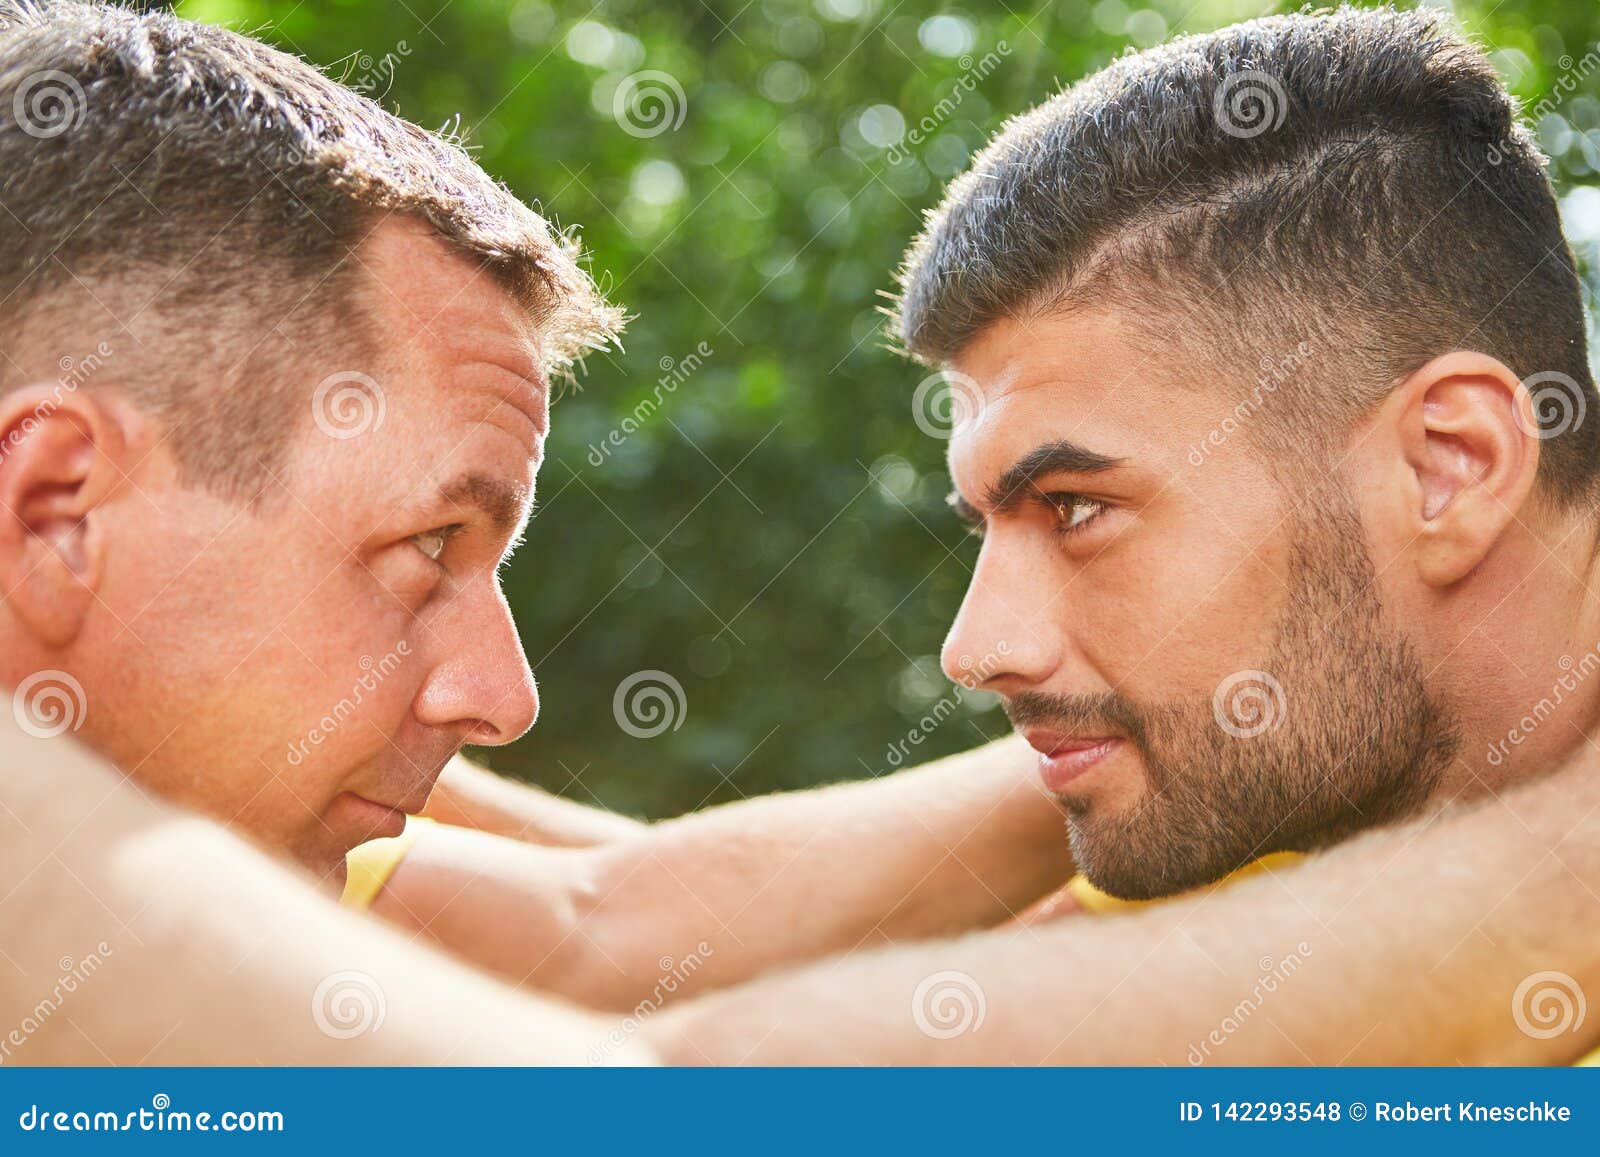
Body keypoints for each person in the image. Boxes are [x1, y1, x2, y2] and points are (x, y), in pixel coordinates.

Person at [0, 0, 1073, 1014]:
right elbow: (623, 1012)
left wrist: (1110, 748)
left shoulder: (143, 843)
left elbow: (597, 924)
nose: (505, 699)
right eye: (429, 543)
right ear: (54, 510)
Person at [639, 3, 1600, 1060]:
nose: (974, 650)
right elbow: (614, 920)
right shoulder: (1279, 761)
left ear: (1450, 466)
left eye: (1076, 507)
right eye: (988, 523)